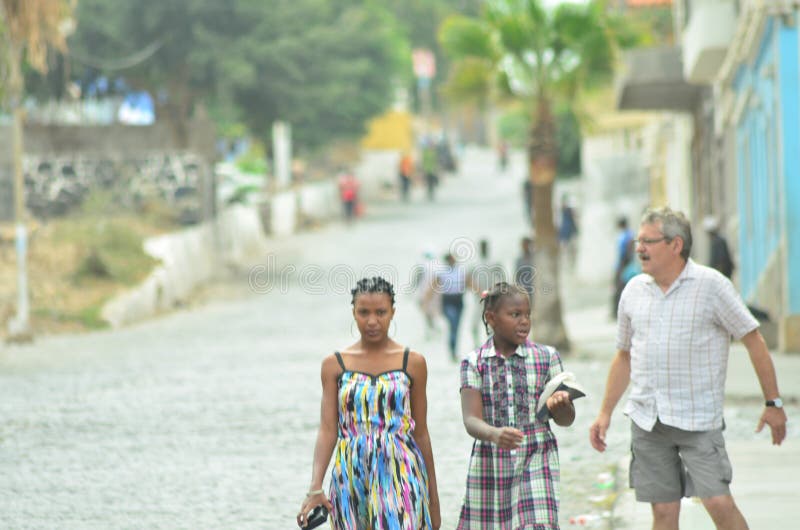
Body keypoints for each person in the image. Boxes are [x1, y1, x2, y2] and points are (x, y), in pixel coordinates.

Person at [589, 207, 787, 530]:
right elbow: (623, 356)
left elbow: (754, 341)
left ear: (675, 245)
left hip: (698, 420)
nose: (638, 248)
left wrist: (773, 403)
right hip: (647, 420)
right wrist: (604, 413)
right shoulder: (633, 292)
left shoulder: (712, 286)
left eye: (647, 241)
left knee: (719, 503)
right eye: (638, 241)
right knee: (664, 513)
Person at [298, 277, 441, 530]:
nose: (372, 321)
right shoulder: (335, 364)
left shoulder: (413, 362)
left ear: (393, 312)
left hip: (401, 470)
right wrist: (315, 487)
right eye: (364, 312)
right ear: (353, 312)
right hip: (350, 474)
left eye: (381, 312)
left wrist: (433, 500)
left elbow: (421, 433)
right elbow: (328, 430)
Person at [457, 282, 576, 529]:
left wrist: (562, 406)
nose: (524, 321)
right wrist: (494, 433)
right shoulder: (474, 363)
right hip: (491, 464)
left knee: (537, 523)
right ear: (491, 318)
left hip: (537, 457)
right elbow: (471, 419)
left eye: (527, 315)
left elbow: (566, 420)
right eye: (515, 315)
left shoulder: (547, 357)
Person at [429, 252, 468, 360]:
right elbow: (434, 286)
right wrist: (427, 300)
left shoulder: (460, 271)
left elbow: (469, 283)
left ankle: (453, 350)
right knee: (452, 322)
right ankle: (452, 349)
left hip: (458, 300)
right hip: (448, 300)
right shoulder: (442, 272)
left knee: (456, 327)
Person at [467, 239, 506, 344]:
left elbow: (502, 278)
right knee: (474, 324)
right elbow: (468, 280)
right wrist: (477, 290)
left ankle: (493, 344)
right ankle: (476, 344)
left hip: (492, 298)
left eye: (485, 246)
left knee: (493, 323)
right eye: (482, 246)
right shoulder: (474, 264)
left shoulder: (494, 262)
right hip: (479, 299)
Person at [612, 216, 634, 318]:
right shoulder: (629, 234)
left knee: (619, 288)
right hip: (625, 264)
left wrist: (621, 267)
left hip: (623, 264)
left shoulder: (624, 236)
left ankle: (616, 312)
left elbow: (624, 253)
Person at [558, 194, 579, 271]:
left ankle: (571, 266)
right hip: (565, 233)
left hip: (569, 233)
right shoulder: (562, 211)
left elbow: (574, 221)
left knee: (570, 251)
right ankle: (568, 267)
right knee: (566, 251)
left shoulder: (568, 210)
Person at [514, 236, 535, 303]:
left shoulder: (534, 258)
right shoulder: (519, 260)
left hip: (534, 288)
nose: (524, 247)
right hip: (523, 290)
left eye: (526, 244)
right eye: (523, 245)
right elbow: (517, 276)